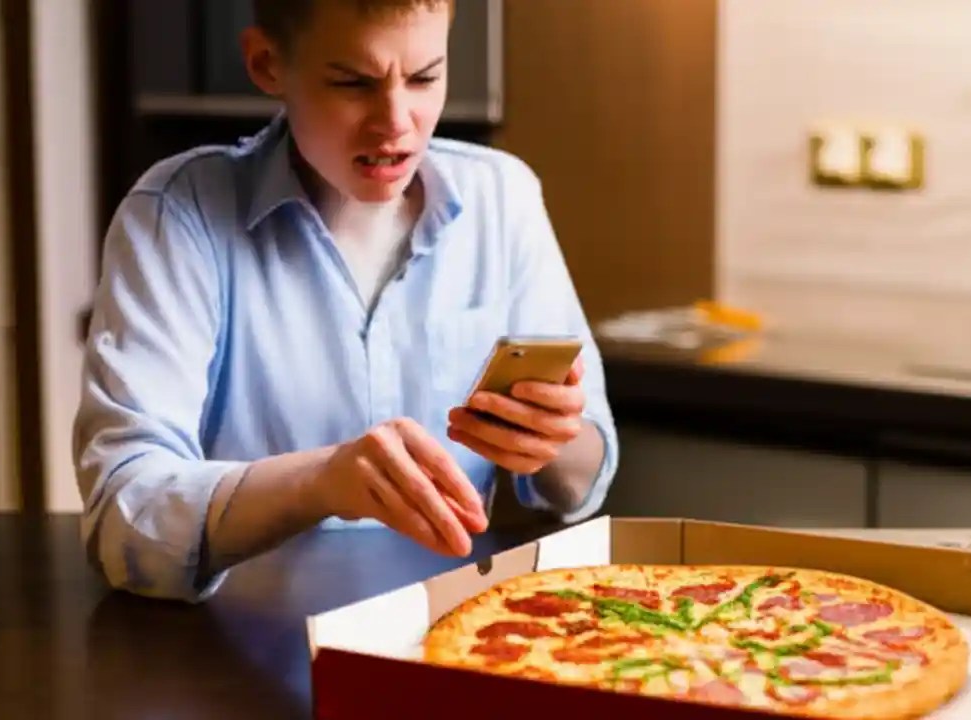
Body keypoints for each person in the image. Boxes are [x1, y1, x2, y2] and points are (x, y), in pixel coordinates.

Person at [73, 0, 619, 603]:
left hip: (452, 638)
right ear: (267, 64)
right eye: (353, 83)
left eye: (424, 78)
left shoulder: (502, 199)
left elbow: (583, 479)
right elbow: (123, 519)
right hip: (231, 647)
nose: (397, 124)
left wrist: (552, 436)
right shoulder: (178, 215)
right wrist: (320, 483)